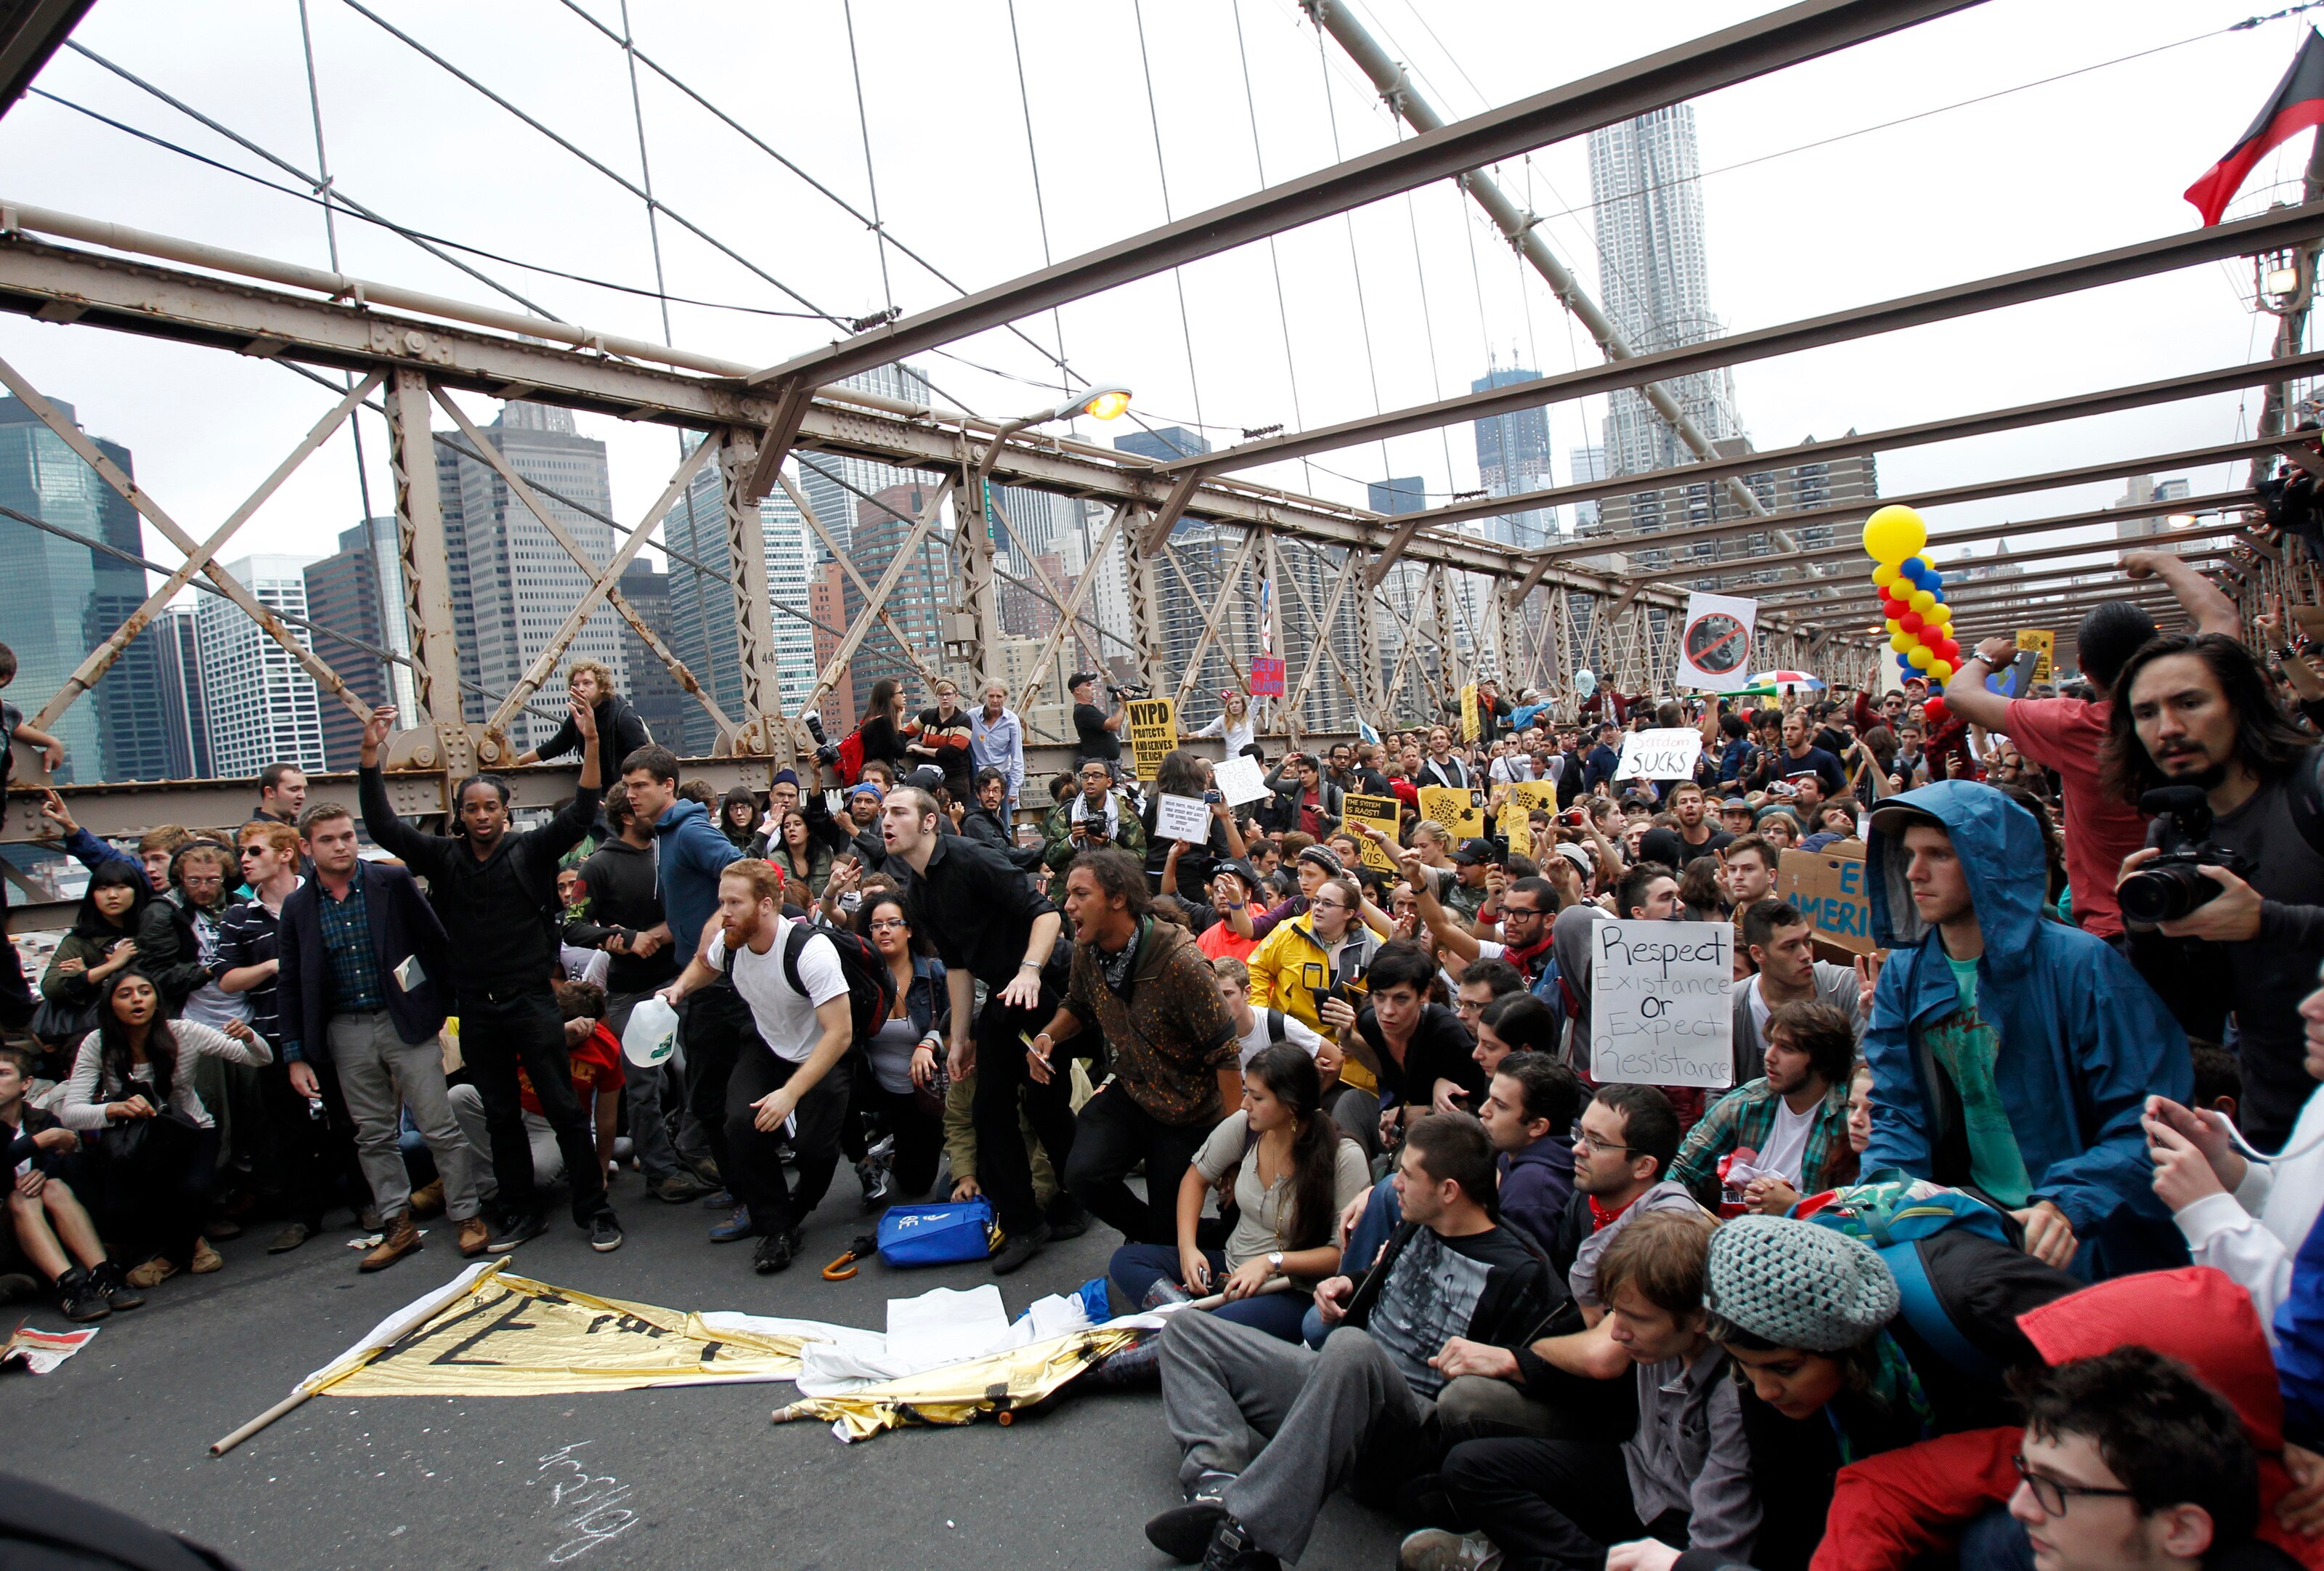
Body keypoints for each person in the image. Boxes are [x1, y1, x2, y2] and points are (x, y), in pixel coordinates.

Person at [1150, 1113, 1559, 1571]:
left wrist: (1502, 1361)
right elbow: (1394, 1287)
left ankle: (1245, 1533)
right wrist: (1350, 1284)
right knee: (1187, 1331)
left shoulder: (1521, 1273)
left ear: (1449, 1191)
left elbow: (1552, 1376)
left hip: (1409, 1430)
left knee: (1350, 1348)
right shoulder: (1416, 1221)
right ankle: (1216, 1482)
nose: (1394, 1184)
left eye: (1407, 1174)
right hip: (1341, 1388)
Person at [1861, 782, 2191, 1278]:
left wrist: (2070, 1202)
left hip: (2090, 1234)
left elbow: (2147, 1116)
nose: (1914, 872)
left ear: (1989, 862)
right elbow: (1897, 1108)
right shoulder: (1906, 974)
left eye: (1939, 854)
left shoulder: (2081, 966)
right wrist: (1883, 1199)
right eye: (1908, 854)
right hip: (1976, 1223)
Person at [359, 699, 621, 1256]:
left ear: (506, 813)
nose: (481, 816)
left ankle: (594, 1210)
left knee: (562, 1107)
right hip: (477, 1007)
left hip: (531, 1002)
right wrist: (369, 757)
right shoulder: (444, 857)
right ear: (460, 815)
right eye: (471, 808)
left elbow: (581, 810)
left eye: (490, 807)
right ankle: (522, 1212)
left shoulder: (529, 852)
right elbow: (383, 825)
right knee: (500, 1115)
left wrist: (591, 743)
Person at [1428, 1209, 1752, 1571]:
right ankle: (1594, 1562)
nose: (1617, 1333)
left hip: (1679, 1522)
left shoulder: (1730, 1400)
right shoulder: (1656, 1340)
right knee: (1467, 1467)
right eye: (1617, 1314)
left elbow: (1718, 1541)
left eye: (1638, 1320)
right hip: (1633, 1473)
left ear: (1699, 1319)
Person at [2103, 633, 2324, 1153]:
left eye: (2189, 702)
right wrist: (2144, 930)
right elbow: (2191, 1010)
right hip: (2275, 1123)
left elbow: (2270, 925)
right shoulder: (2176, 832)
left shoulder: (2313, 787)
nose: (2169, 729)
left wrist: (2268, 920)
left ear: (2241, 702)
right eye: (2147, 712)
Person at [277, 800, 486, 1270]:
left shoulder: (389, 882)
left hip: (404, 1019)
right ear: (306, 848)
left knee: (438, 1123)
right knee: (372, 1133)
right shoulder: (298, 906)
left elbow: (433, 943)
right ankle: (397, 1223)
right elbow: (290, 981)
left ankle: (467, 1215)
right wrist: (296, 1054)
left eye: (347, 836)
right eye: (328, 839)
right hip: (344, 1026)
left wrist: (440, 1010)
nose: (340, 846)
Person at [882, 784, 1079, 1273]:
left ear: (928, 822)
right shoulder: (918, 889)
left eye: (898, 811)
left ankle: (1076, 1199)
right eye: (883, 812)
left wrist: (1030, 969)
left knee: (1046, 1103)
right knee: (989, 1108)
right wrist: (961, 1035)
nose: (886, 819)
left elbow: (1047, 913)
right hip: (1002, 994)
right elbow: (955, 964)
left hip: (1051, 985)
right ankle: (1024, 1222)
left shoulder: (973, 858)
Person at [1031, 850, 1239, 1245]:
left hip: (1188, 1110)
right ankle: (1156, 1236)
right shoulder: (1087, 950)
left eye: (1080, 894)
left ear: (1117, 898)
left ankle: (1175, 1239)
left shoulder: (1183, 964)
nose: (1067, 904)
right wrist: (1048, 1036)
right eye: (1067, 894)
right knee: (1082, 1177)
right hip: (1132, 1088)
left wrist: (1233, 1146)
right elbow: (1077, 1004)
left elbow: (1225, 1055)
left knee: (1172, 1224)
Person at [657, 859, 852, 1273]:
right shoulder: (730, 942)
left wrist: (790, 1093)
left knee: (814, 1154)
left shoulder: (810, 951)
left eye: (734, 903)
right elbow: (705, 965)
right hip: (767, 1047)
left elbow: (840, 1035)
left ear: (766, 905)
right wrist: (679, 988)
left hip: (822, 1052)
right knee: (740, 1126)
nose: (723, 912)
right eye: (721, 901)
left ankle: (796, 1209)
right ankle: (776, 1228)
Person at [1108, 1043, 1369, 1341]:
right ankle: (1190, 1324)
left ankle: (1188, 1329)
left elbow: (1342, 1254)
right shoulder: (1246, 1127)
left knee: (1212, 1332)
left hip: (1292, 1289)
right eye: (1247, 1091)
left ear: (1292, 1105)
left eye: (1257, 1098)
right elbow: (1195, 1179)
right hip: (1230, 1269)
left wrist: (1273, 1262)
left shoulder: (1344, 1156)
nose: (1245, 1104)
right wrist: (1188, 1250)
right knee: (1126, 1261)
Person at [57, 969, 272, 1288]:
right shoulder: (97, 1042)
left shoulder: (183, 1032)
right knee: (121, 1206)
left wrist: (250, 1038)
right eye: (125, 994)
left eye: (144, 991)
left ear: (157, 1001)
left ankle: (170, 1257)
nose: (137, 999)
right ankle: (193, 1245)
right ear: (111, 1005)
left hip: (191, 1130)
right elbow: (71, 1112)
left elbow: (260, 1059)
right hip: (134, 1138)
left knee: (193, 1189)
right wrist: (113, 1109)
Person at [216, 818, 359, 1254]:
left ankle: (364, 1201)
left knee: (349, 1118)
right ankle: (303, 1215)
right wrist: (273, 966)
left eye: (254, 851)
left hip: (331, 1026)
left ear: (285, 854)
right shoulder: (240, 915)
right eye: (242, 852)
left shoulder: (321, 896)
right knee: (289, 1130)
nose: (244, 860)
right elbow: (225, 979)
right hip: (272, 1034)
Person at [562, 784, 703, 1203]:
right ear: (628, 815)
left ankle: (690, 1151)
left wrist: (665, 933)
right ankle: (660, 1171)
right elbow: (572, 925)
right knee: (644, 1084)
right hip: (633, 992)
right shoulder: (599, 866)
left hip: (681, 981)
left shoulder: (668, 850)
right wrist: (625, 936)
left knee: (694, 1070)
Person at [447, 980, 623, 1208]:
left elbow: (607, 1117)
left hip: (550, 1124)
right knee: (459, 1096)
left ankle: (575, 1154)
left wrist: (600, 1171)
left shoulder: (606, 1049)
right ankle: (491, 1189)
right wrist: (558, 1034)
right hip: (510, 1108)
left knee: (536, 1176)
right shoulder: (532, 1024)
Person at [1669, 998, 1858, 1209]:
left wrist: (1797, 1206)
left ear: (1823, 1060)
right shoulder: (1744, 1104)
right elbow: (1681, 1173)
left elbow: (1868, 1207)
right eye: (1770, 1044)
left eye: (1786, 1049)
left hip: (1819, 1238)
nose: (1769, 1056)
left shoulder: (1853, 1114)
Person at [0, 1041, 139, 1322]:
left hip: (49, 1227)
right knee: (20, 1197)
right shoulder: (44, 1132)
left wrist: (44, 1172)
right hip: (6, 1234)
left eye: (2, 1074)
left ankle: (103, 1273)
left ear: (26, 1083)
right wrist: (38, 1143)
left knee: (54, 1186)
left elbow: (64, 1164)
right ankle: (70, 1286)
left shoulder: (43, 1120)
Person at [854, 890, 950, 1202]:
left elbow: (962, 1022)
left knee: (916, 1184)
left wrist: (930, 1041)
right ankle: (869, 1151)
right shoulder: (859, 979)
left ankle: (890, 1155)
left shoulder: (934, 971)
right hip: (876, 1093)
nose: (884, 930)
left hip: (923, 1094)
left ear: (909, 930)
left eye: (893, 923)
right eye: (876, 924)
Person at [1351, 941, 1484, 1149]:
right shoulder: (1369, 1023)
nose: (1387, 1010)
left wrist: (1423, 1112)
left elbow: (1483, 1110)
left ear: (1423, 996)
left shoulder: (1445, 1033)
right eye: (1379, 996)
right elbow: (1387, 1072)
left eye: (1401, 999)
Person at [1730, 899, 1865, 1084]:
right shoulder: (1734, 1003)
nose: (1806, 955)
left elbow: (1864, 1068)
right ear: (1758, 954)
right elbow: (1720, 1087)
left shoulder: (1844, 986)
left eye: (1807, 942)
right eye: (1790, 947)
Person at [1248, 872, 1383, 1042]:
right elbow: (1258, 968)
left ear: (1349, 913)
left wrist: (1353, 1033)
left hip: (1343, 1044)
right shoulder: (1289, 930)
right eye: (1316, 901)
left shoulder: (1372, 947)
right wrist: (1260, 1015)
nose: (1318, 907)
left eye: (1327, 904)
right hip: (1285, 1038)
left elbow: (1378, 1001)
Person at [1482, 1050, 1584, 1254]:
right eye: (1490, 1098)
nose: (1484, 1110)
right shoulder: (1547, 1146)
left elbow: (1521, 1272)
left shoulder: (1531, 1192)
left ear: (1538, 1127)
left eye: (1500, 1105)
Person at [513, 658, 650, 768]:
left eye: (587, 683)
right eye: (576, 684)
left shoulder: (624, 717)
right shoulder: (578, 715)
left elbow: (643, 760)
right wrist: (516, 763)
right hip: (598, 788)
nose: (581, 689)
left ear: (602, 687)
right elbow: (557, 745)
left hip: (622, 791)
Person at [1045, 758, 1146, 874]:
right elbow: (1050, 860)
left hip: (1114, 883)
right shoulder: (1067, 814)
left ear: (1109, 782)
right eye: (1085, 776)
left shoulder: (1124, 815)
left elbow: (1140, 858)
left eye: (1097, 776)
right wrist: (1072, 840)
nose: (1090, 781)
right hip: (1075, 884)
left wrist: (1107, 845)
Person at [907, 678, 977, 803]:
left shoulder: (963, 720)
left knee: (958, 815)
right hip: (930, 777)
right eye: (941, 695)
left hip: (955, 778)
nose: (945, 698)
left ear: (956, 695)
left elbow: (952, 751)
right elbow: (907, 733)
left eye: (948, 694)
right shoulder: (927, 716)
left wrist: (922, 750)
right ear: (936, 696)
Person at [1638, 781, 1731, 871]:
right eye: (1683, 802)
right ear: (1675, 811)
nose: (1689, 805)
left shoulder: (1724, 841)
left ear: (1704, 808)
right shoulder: (1672, 846)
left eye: (1695, 801)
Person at [970, 678, 1026, 813]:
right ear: (985, 697)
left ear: (1005, 698)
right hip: (979, 778)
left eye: (999, 696)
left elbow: (1017, 756)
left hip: (1003, 777)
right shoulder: (972, 717)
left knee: (1005, 823)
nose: (995, 700)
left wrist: (1014, 789)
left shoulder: (1012, 721)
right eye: (991, 696)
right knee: (976, 819)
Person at [1069, 671, 1125, 775]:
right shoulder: (1084, 711)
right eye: (1088, 685)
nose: (1093, 688)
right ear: (1078, 691)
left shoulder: (1087, 710)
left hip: (1104, 766)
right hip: (1100, 768)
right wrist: (1123, 704)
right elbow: (1113, 725)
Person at [1190, 690, 1256, 758]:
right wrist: (1186, 735)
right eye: (1231, 704)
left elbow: (1257, 700)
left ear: (1243, 706)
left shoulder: (1249, 715)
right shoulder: (1222, 720)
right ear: (1228, 707)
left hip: (1249, 758)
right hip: (1232, 759)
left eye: (1237, 703)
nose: (1234, 706)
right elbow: (1204, 732)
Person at [251, 760, 307, 827]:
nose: (303, 796)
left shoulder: (302, 830)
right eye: (294, 789)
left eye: (304, 789)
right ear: (270, 792)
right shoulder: (253, 834)